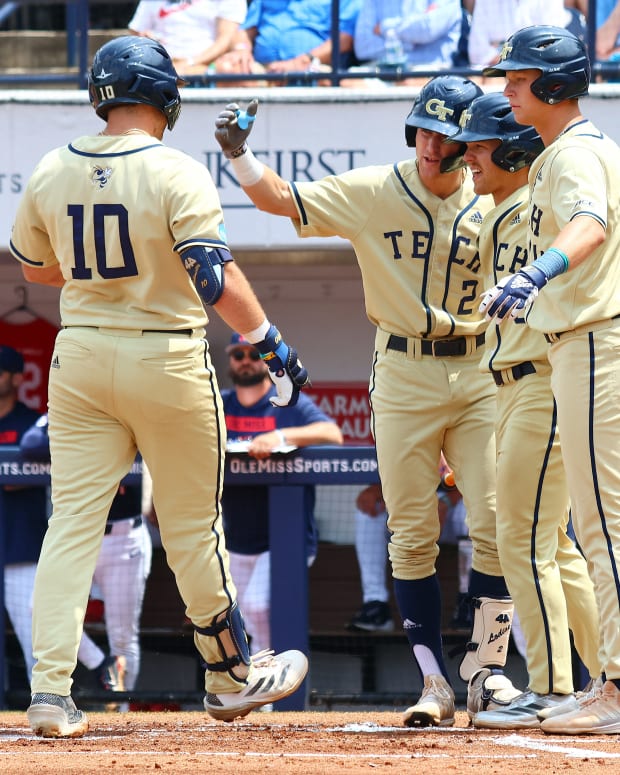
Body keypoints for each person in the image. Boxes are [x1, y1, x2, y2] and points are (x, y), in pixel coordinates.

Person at [8, 35, 310, 739]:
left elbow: (36, 271)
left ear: (101, 95)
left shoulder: (52, 166)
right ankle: (229, 673)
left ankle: (51, 692)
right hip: (164, 355)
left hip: (80, 356)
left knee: (72, 525)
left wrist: (102, 276)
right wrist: (270, 342)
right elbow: (213, 279)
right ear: (164, 98)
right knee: (191, 526)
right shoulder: (176, 169)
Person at [214, 76, 521, 729]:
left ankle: (487, 670)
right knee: (411, 532)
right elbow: (281, 199)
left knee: (495, 522)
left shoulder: (495, 196)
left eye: (447, 134)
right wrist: (239, 155)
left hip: (477, 369)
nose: (432, 144)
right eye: (424, 129)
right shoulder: (376, 189)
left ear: (474, 143)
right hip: (404, 369)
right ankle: (434, 679)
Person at [481, 25, 620, 735]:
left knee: (592, 525)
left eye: (520, 76)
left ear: (555, 85)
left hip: (592, 340)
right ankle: (593, 680)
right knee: (569, 528)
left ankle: (603, 684)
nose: (507, 86)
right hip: (570, 347)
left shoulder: (574, 153)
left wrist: (539, 270)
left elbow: (590, 224)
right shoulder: (563, 154)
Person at [450, 91, 602, 728]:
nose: (469, 160)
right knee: (556, 549)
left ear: (513, 148)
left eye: (480, 147)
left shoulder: (536, 206)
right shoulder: (494, 215)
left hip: (540, 379)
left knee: (523, 540)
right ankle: (606, 682)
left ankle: (552, 686)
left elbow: (588, 232)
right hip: (513, 386)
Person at [221, 332, 343, 655]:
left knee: (258, 607)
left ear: (266, 361)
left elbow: (332, 434)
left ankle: (274, 688)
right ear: (231, 360)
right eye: (239, 355)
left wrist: (279, 436)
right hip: (236, 537)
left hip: (285, 538)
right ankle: (260, 684)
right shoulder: (219, 403)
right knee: (236, 616)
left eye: (253, 354)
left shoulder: (286, 400)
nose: (246, 360)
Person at [20, 413, 152, 698]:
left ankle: (123, 710)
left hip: (124, 538)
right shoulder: (73, 407)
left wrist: (106, 462)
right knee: (39, 609)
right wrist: (93, 459)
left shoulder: (130, 410)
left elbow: (147, 454)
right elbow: (30, 444)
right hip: (79, 532)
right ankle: (100, 663)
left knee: (123, 638)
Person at [0, 345, 48, 686]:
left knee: (35, 640)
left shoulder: (33, 423)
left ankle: (43, 704)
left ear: (18, 378)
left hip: (22, 546)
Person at [213, 0, 362, 83]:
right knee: (226, 69)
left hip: (314, 67)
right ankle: (236, 135)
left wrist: (301, 61)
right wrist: (241, 49)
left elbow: (344, 40)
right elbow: (244, 31)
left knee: (345, 84)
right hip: (264, 69)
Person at [128, 0, 247, 76]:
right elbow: (135, 33)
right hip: (160, 67)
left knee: (231, 70)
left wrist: (189, 64)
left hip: (207, 67)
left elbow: (224, 40)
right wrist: (144, 39)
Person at [353, 0, 462, 72]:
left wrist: (383, 27)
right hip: (382, 71)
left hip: (430, 71)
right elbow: (362, 48)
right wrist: (411, 41)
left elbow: (428, 28)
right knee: (349, 82)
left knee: (411, 83)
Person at [467, 0, 579, 68]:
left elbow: (550, 49)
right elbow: (477, 54)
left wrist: (501, 48)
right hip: (494, 74)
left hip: (535, 74)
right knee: (478, 81)